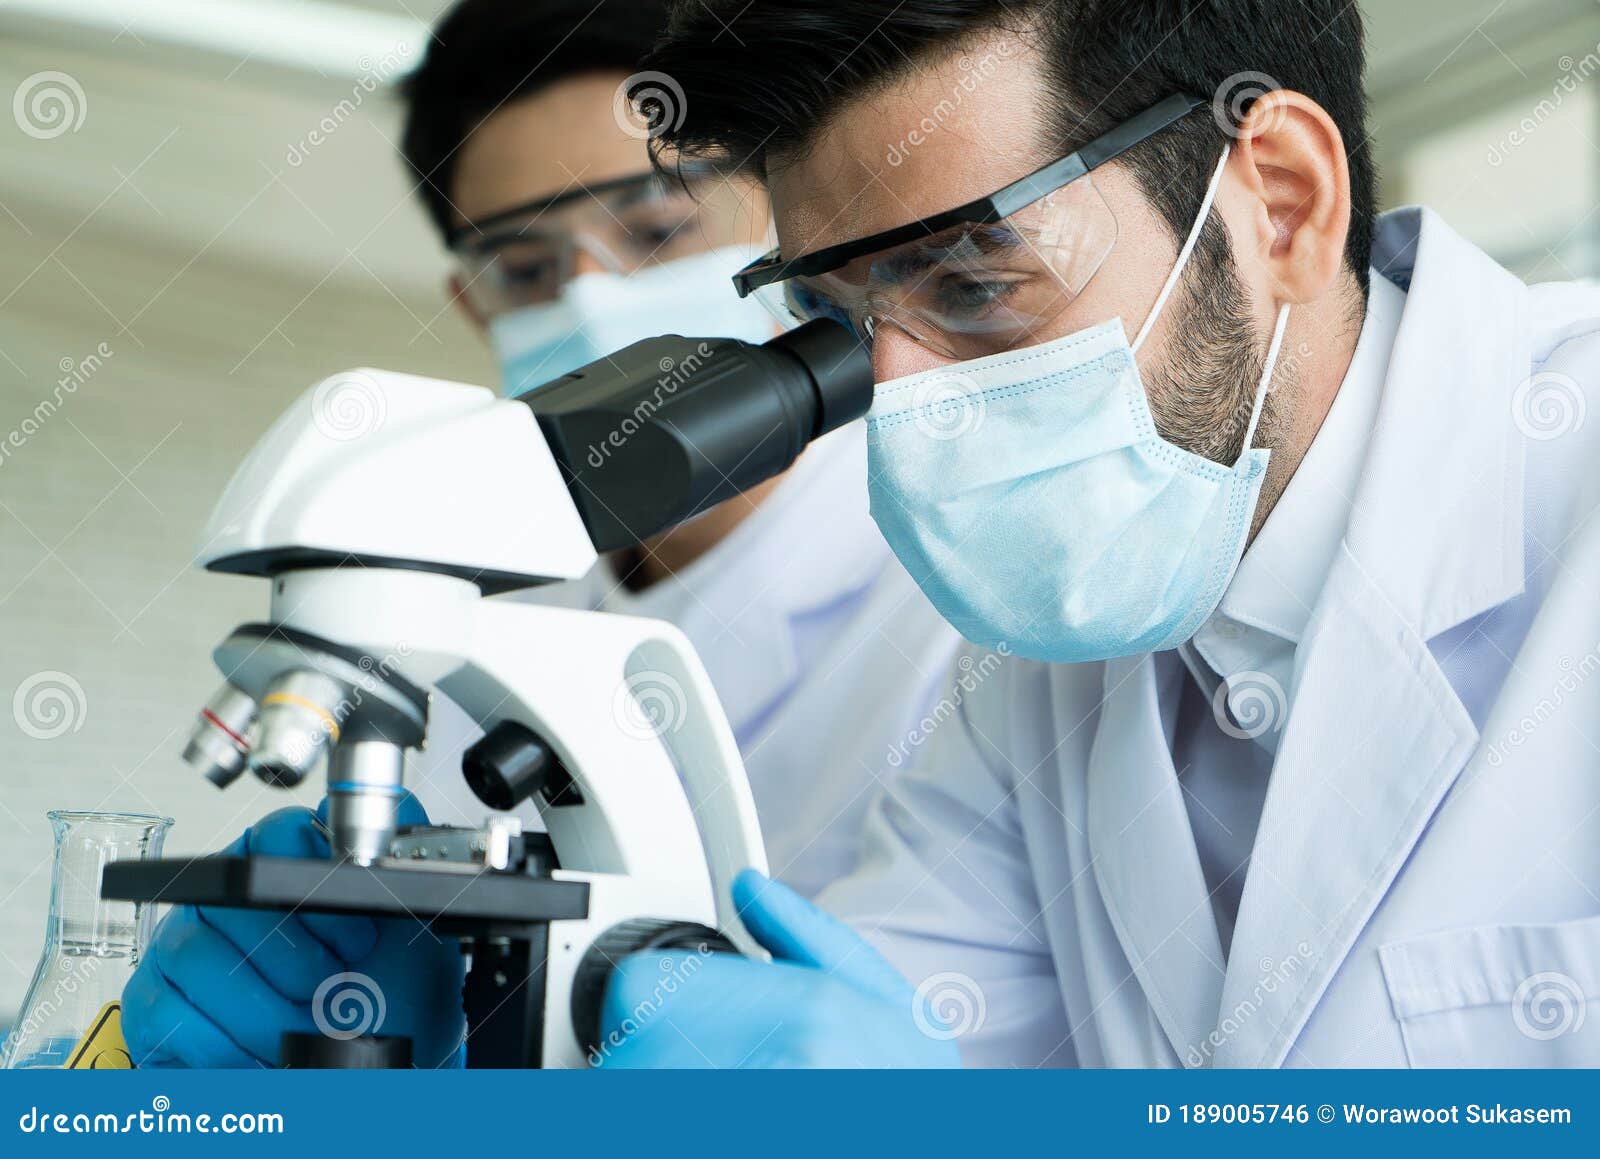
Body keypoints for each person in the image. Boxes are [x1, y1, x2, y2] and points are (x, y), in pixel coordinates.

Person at [576, 0, 1600, 1068]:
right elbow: (890, 1021)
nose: (905, 407)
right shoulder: (1043, 659)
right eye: (842, 327)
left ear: (1282, 205)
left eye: (974, 284)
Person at [119, 0, 961, 1069]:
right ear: (475, 308)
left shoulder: (952, 601)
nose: (591, 299)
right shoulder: (468, 623)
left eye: (656, 230)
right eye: (525, 269)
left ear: (793, 232)